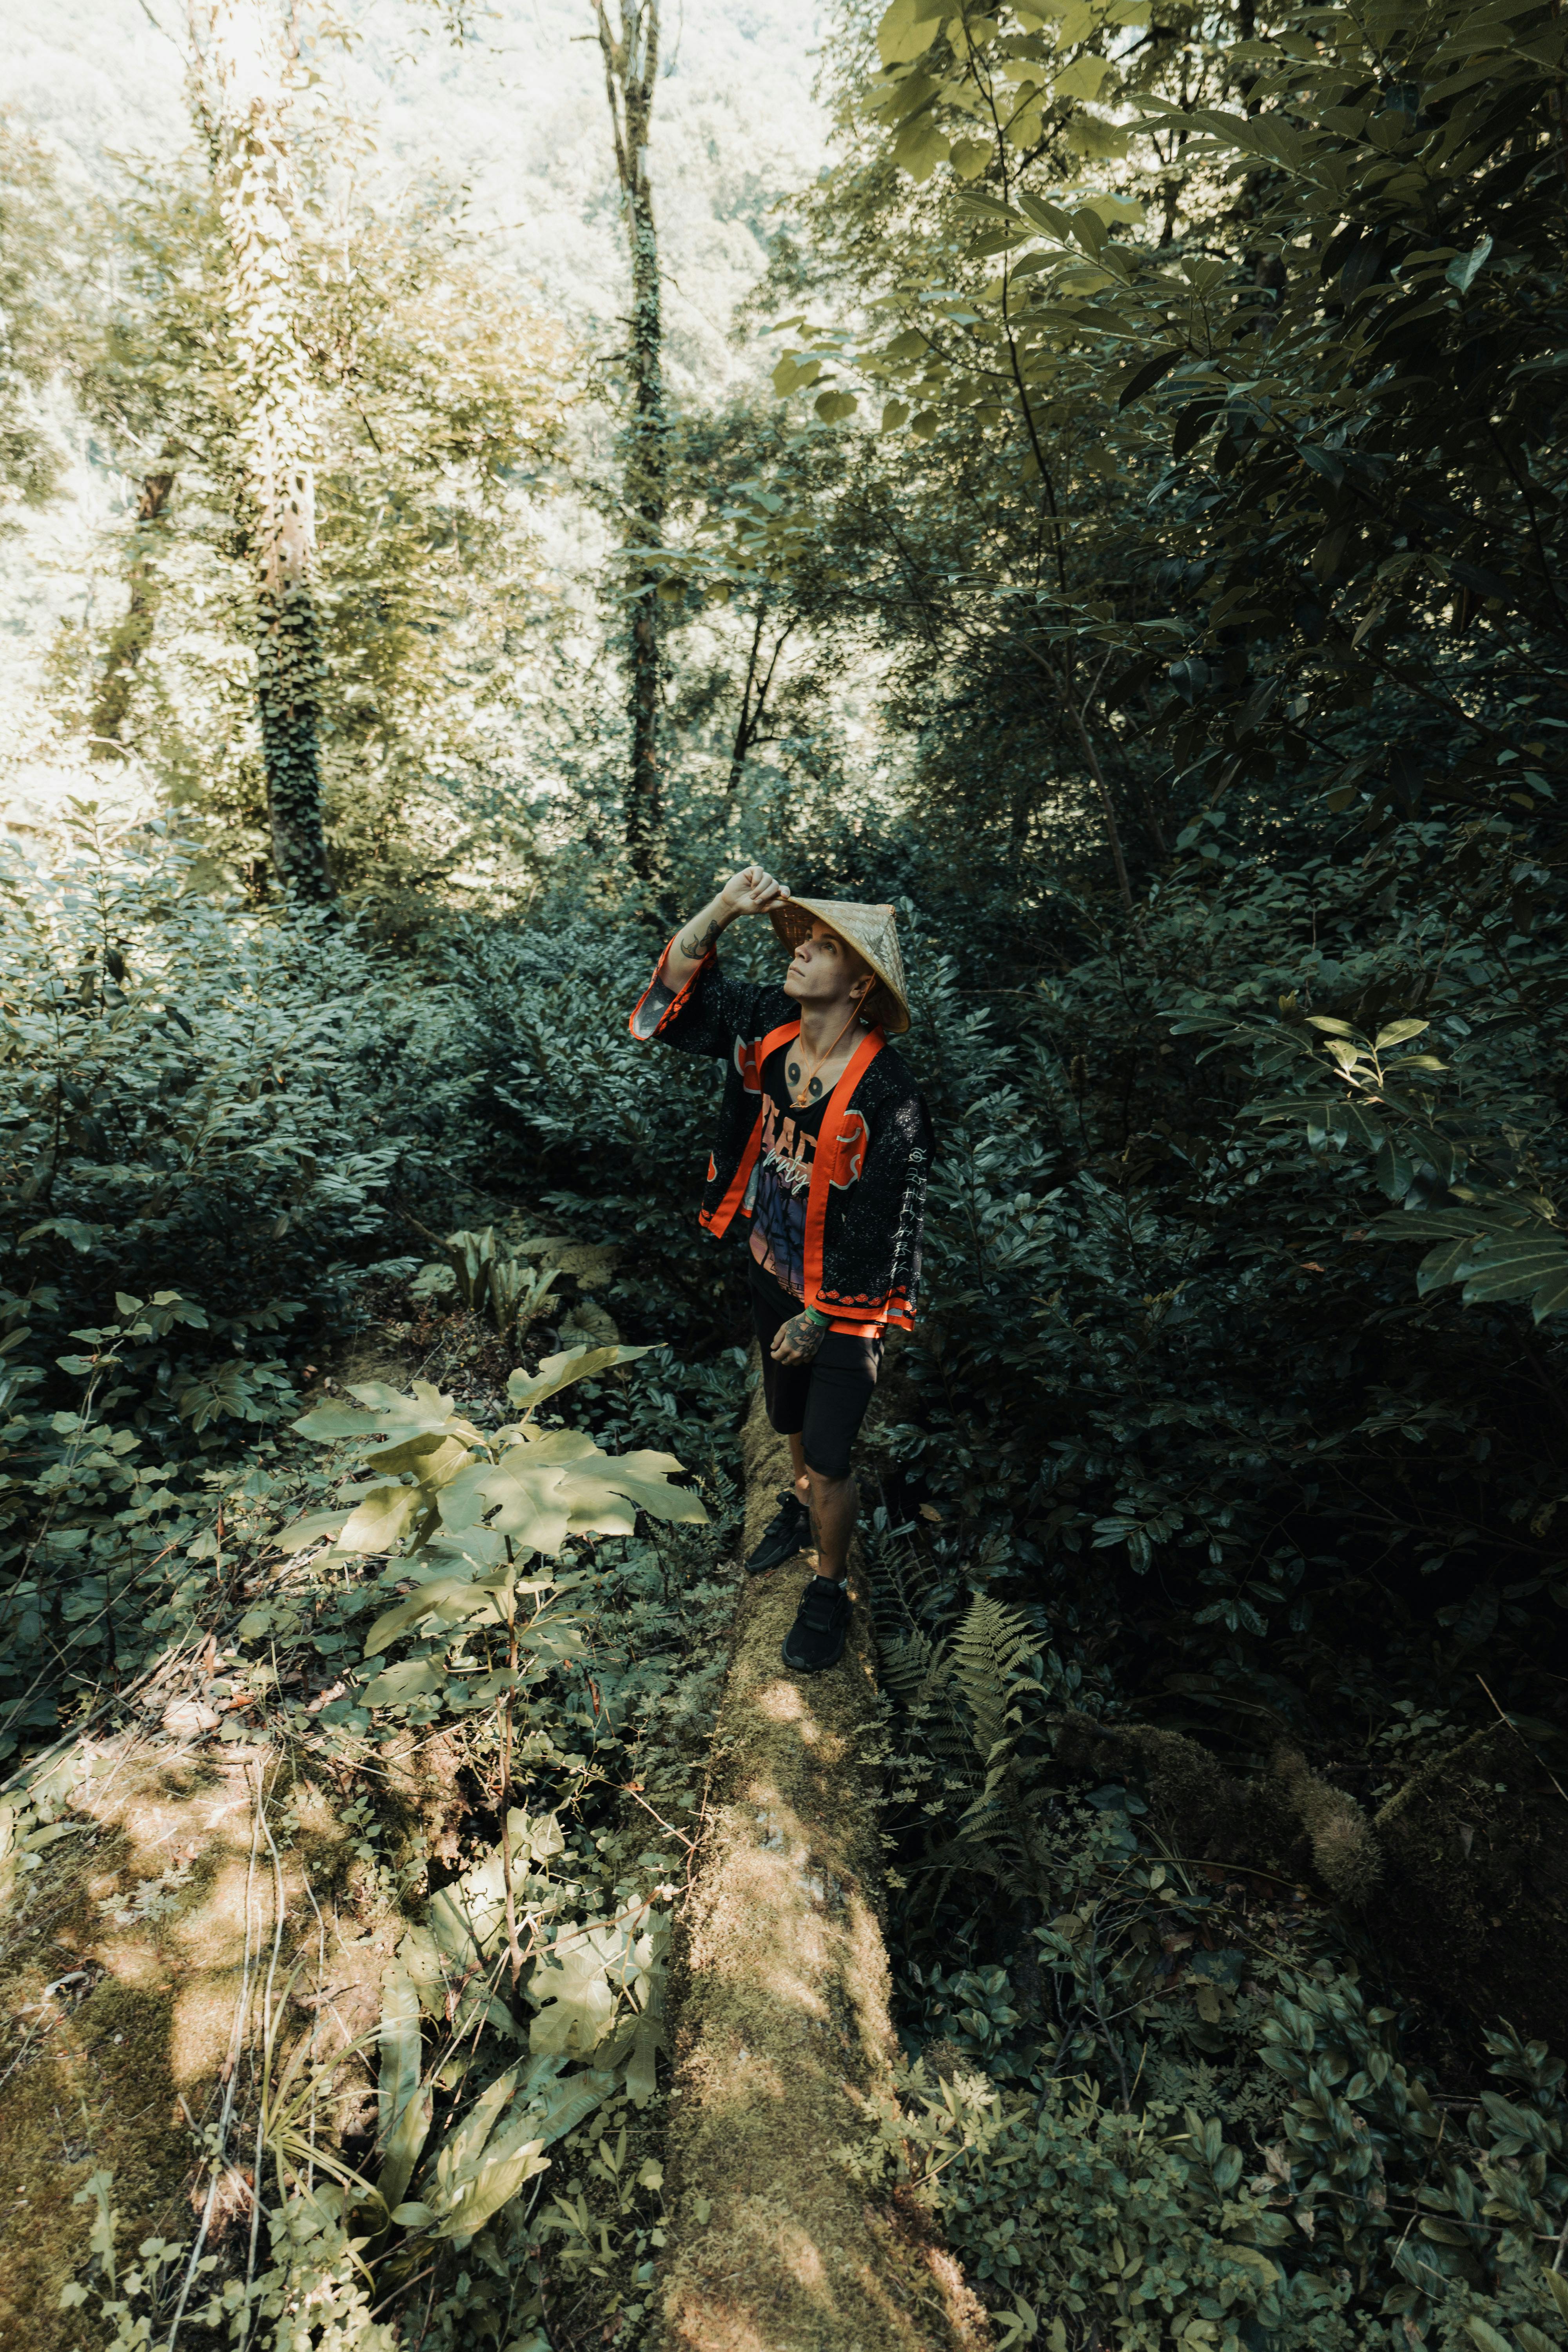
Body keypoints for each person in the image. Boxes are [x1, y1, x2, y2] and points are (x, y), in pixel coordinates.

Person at [629, 865, 933, 1675]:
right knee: (786, 1420)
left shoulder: (889, 1096)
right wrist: (723, 906)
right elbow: (675, 1000)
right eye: (802, 937)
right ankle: (797, 1508)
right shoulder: (768, 1020)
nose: (798, 950)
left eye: (823, 946)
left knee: (832, 1454)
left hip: (841, 1308)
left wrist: (824, 1317)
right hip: (769, 1268)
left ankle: (830, 1588)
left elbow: (887, 1229)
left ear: (859, 986)